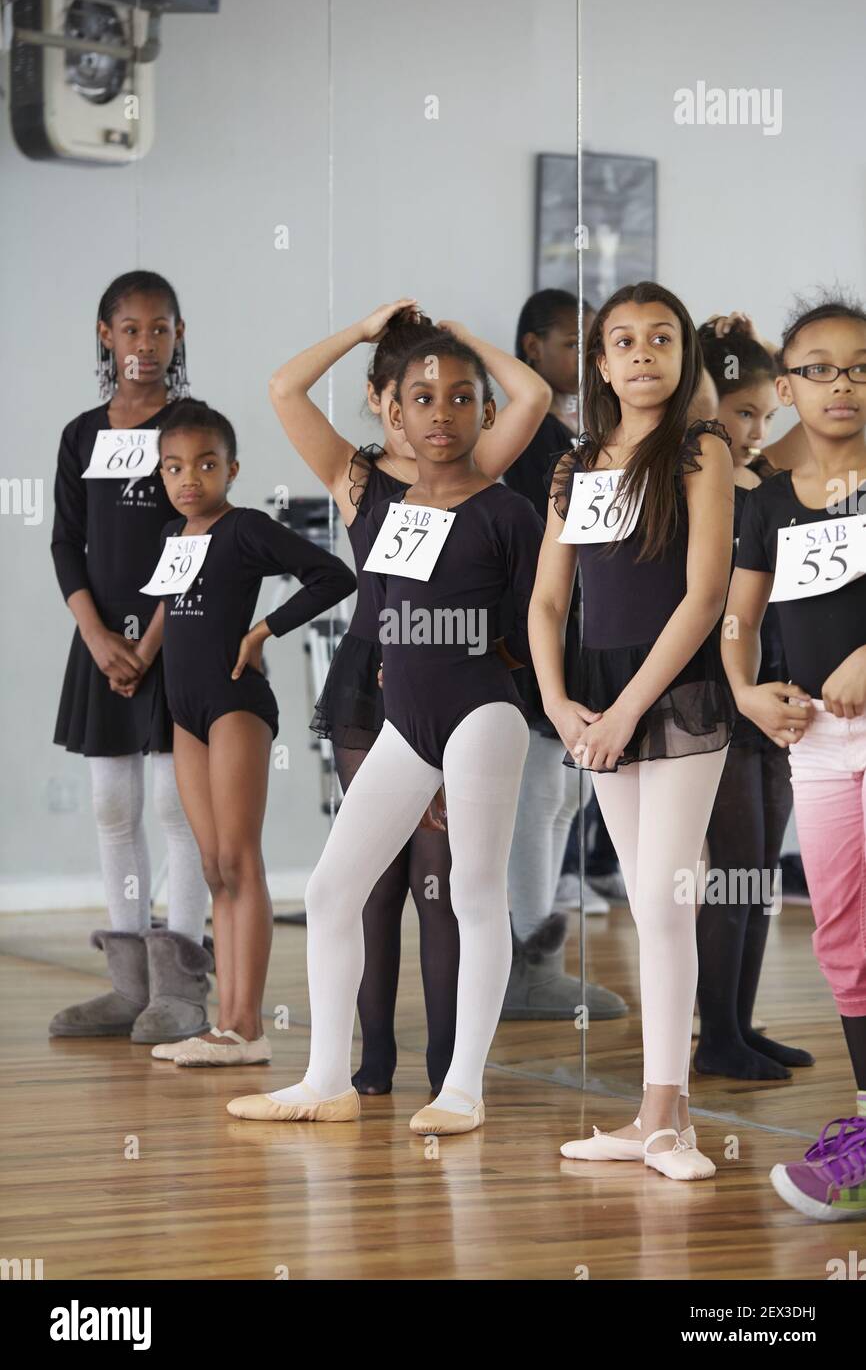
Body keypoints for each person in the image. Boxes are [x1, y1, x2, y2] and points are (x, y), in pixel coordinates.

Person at [228, 329, 543, 1132]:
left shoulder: (506, 510)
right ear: (391, 409)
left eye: (463, 397)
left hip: (483, 712)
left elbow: (539, 625)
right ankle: (327, 1078)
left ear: (486, 409)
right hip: (402, 724)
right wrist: (367, 332)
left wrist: (462, 339)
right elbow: (283, 385)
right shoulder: (373, 498)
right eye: (423, 397)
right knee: (333, 890)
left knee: (472, 891)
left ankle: (461, 1088)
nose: (443, 413)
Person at [530, 281, 736, 1181]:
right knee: (654, 911)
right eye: (624, 340)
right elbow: (546, 600)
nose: (643, 352)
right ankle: (657, 1120)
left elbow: (705, 597)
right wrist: (556, 699)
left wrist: (626, 712)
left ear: (682, 354)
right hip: (597, 698)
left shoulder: (702, 451)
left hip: (674, 695)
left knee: (661, 900)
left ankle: (666, 1118)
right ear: (601, 362)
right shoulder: (576, 467)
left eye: (661, 337)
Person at [119, 400, 355, 1066]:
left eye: (205, 464)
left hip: (235, 703)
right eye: (174, 467)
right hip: (184, 706)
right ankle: (226, 1026)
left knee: (239, 856)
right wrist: (142, 658)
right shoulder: (173, 536)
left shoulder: (245, 528)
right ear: (161, 474)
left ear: (231, 468)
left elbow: (334, 575)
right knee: (212, 863)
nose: (189, 477)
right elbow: (170, 604)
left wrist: (264, 631)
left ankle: (248, 1026)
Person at [724, 295, 866, 1219]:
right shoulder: (769, 499)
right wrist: (743, 689)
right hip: (815, 741)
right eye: (819, 368)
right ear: (786, 387)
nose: (842, 383)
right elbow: (739, 614)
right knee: (843, 939)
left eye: (860, 366)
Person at [49, 270, 213, 1047]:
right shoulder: (82, 434)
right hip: (101, 646)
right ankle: (128, 988)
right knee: (113, 808)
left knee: (174, 807)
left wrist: (147, 642)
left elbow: (197, 530)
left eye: (160, 329)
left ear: (179, 336)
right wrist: (96, 636)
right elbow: (64, 542)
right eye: (131, 329)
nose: (145, 344)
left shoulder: (190, 426)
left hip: (172, 638)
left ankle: (180, 988)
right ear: (104, 335)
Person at [502, 288, 626, 1018]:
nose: (582, 355)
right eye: (569, 340)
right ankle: (524, 957)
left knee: (563, 795)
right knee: (540, 794)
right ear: (530, 350)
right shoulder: (530, 439)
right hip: (531, 640)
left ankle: (537, 948)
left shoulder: (578, 436)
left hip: (578, 636)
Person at [694, 317, 812, 1080]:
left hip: (771, 694)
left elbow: (806, 403)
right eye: (742, 412)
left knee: (761, 870)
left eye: (764, 416)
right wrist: (707, 339)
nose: (756, 428)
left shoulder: (765, 477)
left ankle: (739, 1021)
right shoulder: (700, 475)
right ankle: (716, 1038)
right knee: (732, 868)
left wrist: (769, 352)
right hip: (717, 697)